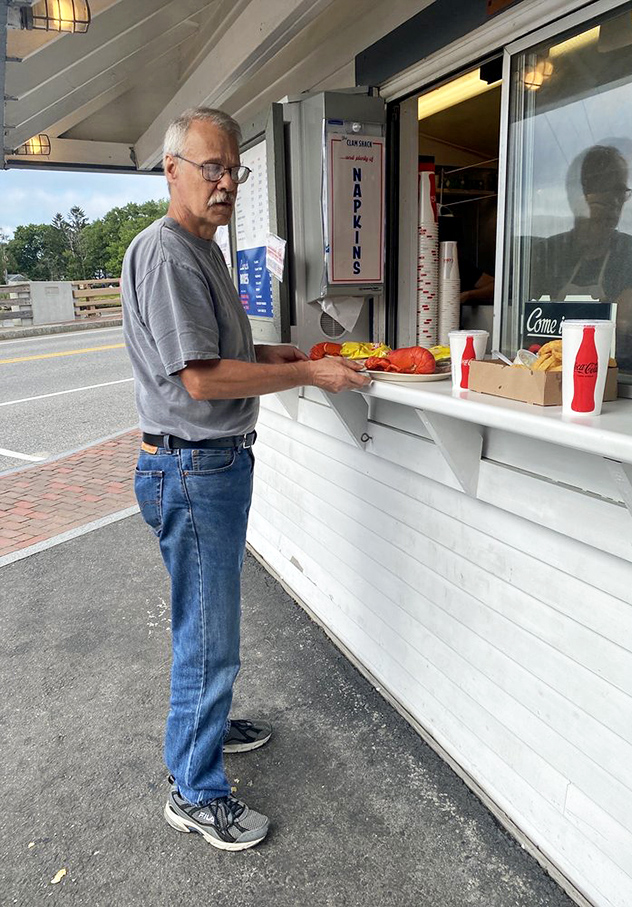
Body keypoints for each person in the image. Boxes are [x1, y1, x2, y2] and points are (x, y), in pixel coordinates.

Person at [121, 107, 369, 852]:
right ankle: (194, 792)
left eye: (235, 168)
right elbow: (201, 378)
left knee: (206, 625)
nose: (226, 181)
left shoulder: (204, 250)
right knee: (209, 635)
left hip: (205, 466)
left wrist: (282, 351)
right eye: (212, 167)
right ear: (172, 170)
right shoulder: (168, 254)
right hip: (193, 466)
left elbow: (221, 346)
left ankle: (208, 723)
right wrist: (310, 375)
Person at [530, 143, 632, 368]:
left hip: (622, 375)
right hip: (551, 372)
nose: (615, 201)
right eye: (603, 188)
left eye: (620, 191)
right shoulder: (548, 252)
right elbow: (531, 323)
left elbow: (624, 322)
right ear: (577, 196)